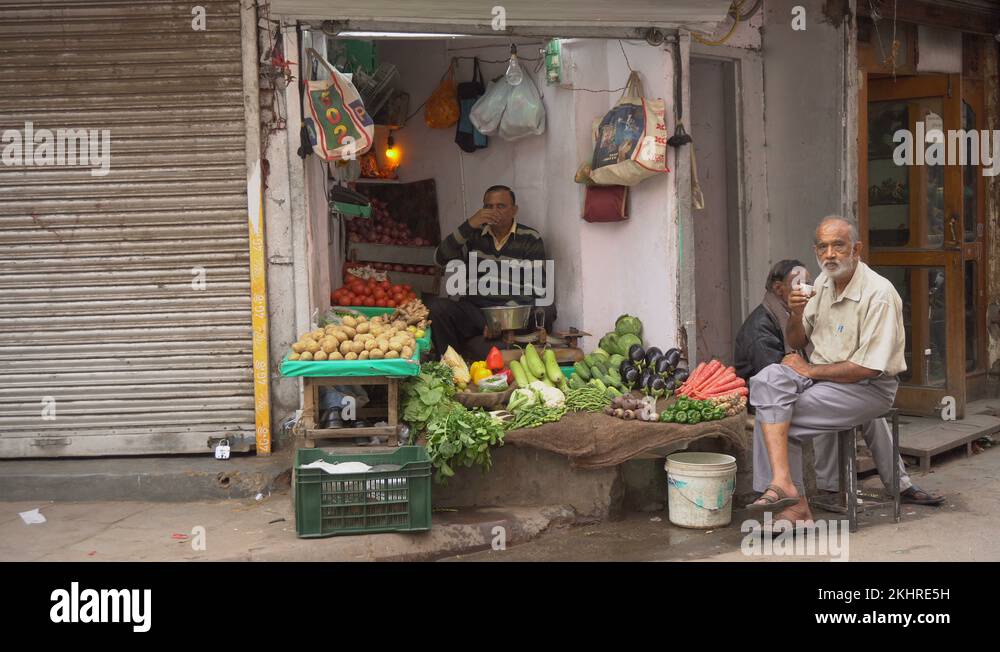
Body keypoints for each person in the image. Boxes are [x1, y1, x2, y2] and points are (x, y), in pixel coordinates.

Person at [747, 216, 941, 525]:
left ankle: (793, 506)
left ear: (856, 249)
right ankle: (786, 488)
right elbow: (797, 340)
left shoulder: (879, 293)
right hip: (822, 379)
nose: (830, 254)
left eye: (838, 245)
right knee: (767, 382)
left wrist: (809, 371)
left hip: (867, 388)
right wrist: (795, 314)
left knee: (775, 417)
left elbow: (866, 368)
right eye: (823, 247)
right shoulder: (823, 283)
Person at [428, 185, 554, 359]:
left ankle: (504, 339)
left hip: (513, 311)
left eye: (500, 206)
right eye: (488, 206)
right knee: (438, 307)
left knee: (545, 308)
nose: (494, 211)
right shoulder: (473, 236)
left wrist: (501, 320)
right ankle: (451, 363)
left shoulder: (530, 238)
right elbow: (440, 259)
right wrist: (469, 224)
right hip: (477, 310)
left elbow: (536, 287)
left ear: (514, 210)